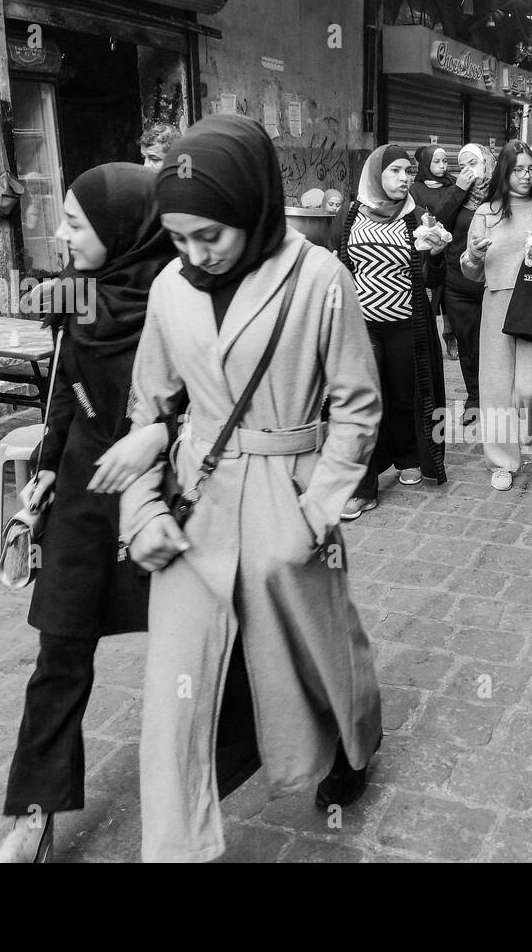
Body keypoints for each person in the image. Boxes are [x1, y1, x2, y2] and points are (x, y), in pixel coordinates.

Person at [120, 114, 383, 863]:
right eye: (179, 238)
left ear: (251, 207)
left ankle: (353, 743)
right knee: (175, 681)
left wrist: (319, 506)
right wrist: (139, 507)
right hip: (195, 498)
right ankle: (175, 846)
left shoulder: (319, 277)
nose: (196, 255)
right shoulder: (170, 285)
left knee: (315, 648)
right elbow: (149, 407)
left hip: (287, 491)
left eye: (211, 235)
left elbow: (357, 404)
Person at [0, 163, 177, 862]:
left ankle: (316, 734)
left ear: (123, 229)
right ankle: (32, 819)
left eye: (75, 222)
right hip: (79, 496)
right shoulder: (78, 298)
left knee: (218, 643)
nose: (62, 235)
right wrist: (41, 475)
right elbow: (65, 392)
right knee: (59, 653)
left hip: (160, 498)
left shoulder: (179, 298)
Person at [332, 144, 449, 519]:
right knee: (364, 402)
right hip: (361, 326)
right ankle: (363, 487)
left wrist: (435, 254)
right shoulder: (350, 216)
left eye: (408, 173)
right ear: (375, 175)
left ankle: (408, 456)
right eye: (395, 171)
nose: (403, 179)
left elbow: (433, 279)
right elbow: (338, 265)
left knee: (404, 395)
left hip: (407, 324)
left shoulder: (418, 218)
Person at [460, 140, 532, 490]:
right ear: (505, 172)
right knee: (496, 388)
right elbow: (469, 270)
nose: (525, 176)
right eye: (518, 169)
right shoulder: (486, 214)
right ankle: (502, 461)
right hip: (496, 306)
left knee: (528, 388)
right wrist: (475, 256)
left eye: (530, 169)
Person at [437, 143, 494, 426]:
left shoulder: (499, 195)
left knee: (495, 344)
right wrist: (458, 190)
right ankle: (475, 397)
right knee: (468, 346)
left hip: (491, 284)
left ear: (487, 163)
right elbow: (438, 222)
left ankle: (498, 397)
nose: (469, 170)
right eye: (464, 164)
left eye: (474, 163)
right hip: (457, 286)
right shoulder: (456, 193)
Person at [411, 144, 478, 362]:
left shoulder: (455, 184)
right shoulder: (416, 190)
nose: (442, 166)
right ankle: (427, 341)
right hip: (429, 255)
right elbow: (432, 220)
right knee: (431, 300)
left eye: (445, 162)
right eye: (436, 162)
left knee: (450, 305)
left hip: (453, 254)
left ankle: (451, 338)